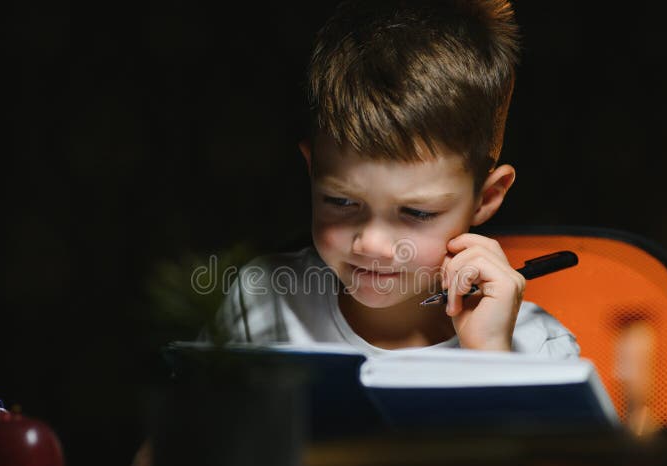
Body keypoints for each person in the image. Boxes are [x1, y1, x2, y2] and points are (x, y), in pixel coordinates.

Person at [213, 0, 579, 358]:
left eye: (417, 212)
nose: (371, 244)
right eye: (341, 202)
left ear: (485, 198)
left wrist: (490, 359)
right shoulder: (263, 301)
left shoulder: (541, 350)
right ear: (312, 171)